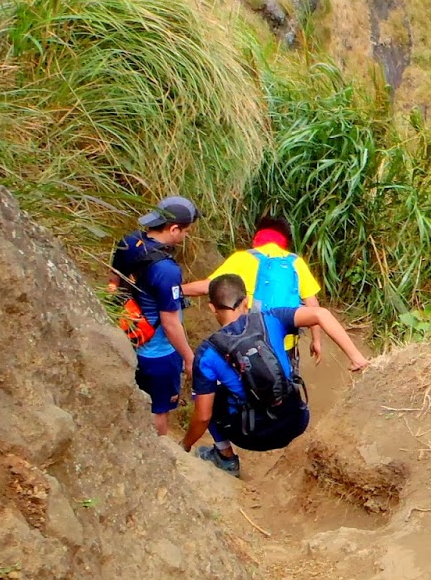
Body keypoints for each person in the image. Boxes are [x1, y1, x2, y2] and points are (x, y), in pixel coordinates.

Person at [183, 273, 369, 475]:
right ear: (246, 301)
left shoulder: (207, 353)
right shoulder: (271, 318)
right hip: (297, 420)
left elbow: (203, 417)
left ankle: (225, 458)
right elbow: (320, 314)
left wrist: (184, 446)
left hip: (253, 437)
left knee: (207, 393)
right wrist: (356, 357)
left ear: (211, 307)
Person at [109, 196, 199, 436]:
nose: (185, 236)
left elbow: (113, 284)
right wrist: (189, 359)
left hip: (127, 338)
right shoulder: (167, 270)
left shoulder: (128, 242)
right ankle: (155, 455)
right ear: (173, 229)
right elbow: (170, 323)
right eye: (186, 231)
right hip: (158, 353)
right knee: (157, 410)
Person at [183, 216, 325, 364]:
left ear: (258, 235)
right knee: (283, 382)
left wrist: (177, 289)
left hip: (250, 342)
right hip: (285, 344)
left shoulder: (243, 258)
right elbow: (313, 305)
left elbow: (208, 287)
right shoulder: (296, 262)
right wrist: (316, 340)